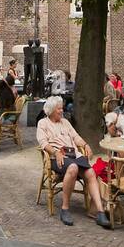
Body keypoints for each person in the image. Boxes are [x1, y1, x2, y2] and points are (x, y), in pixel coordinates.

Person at [35, 96, 111, 228]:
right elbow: (43, 143)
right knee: (73, 168)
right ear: (52, 110)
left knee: (91, 172)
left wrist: (86, 145)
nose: (61, 111)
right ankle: (65, 209)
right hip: (57, 157)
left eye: (61, 108)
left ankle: (100, 212)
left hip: (74, 154)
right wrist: (55, 152)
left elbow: (76, 137)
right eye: (59, 109)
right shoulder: (43, 123)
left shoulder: (65, 122)